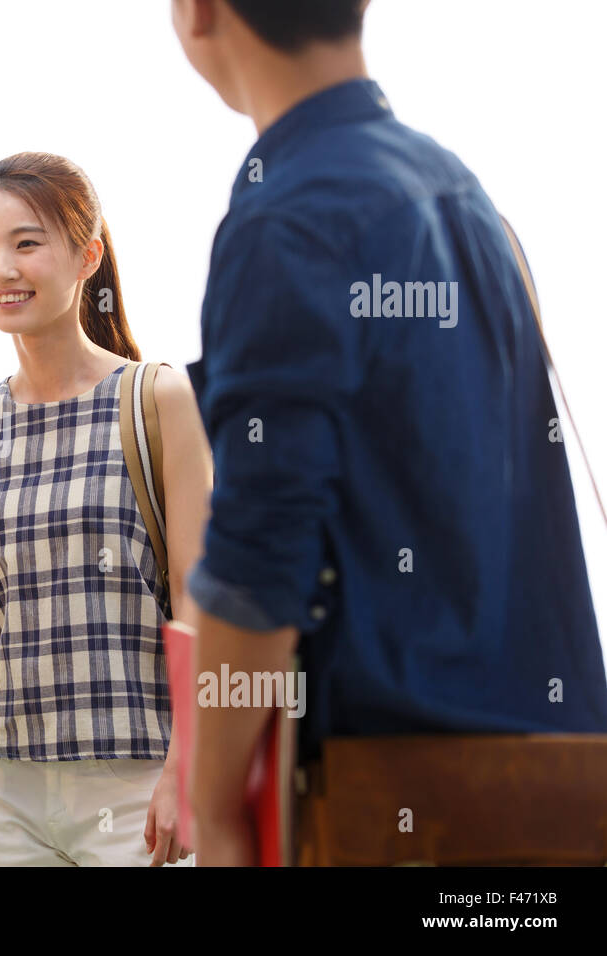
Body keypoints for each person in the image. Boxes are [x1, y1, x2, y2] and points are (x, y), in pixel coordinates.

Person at [167, 0, 607, 864]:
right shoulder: (466, 195)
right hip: (551, 795)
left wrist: (212, 804)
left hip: (388, 800)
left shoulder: (285, 219)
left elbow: (262, 554)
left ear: (200, 11)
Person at [0, 152, 213, 866]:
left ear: (87, 256)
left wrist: (187, 764)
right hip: (8, 787)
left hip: (140, 775)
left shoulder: (156, 399)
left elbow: (199, 599)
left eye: (26, 243)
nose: (2, 268)